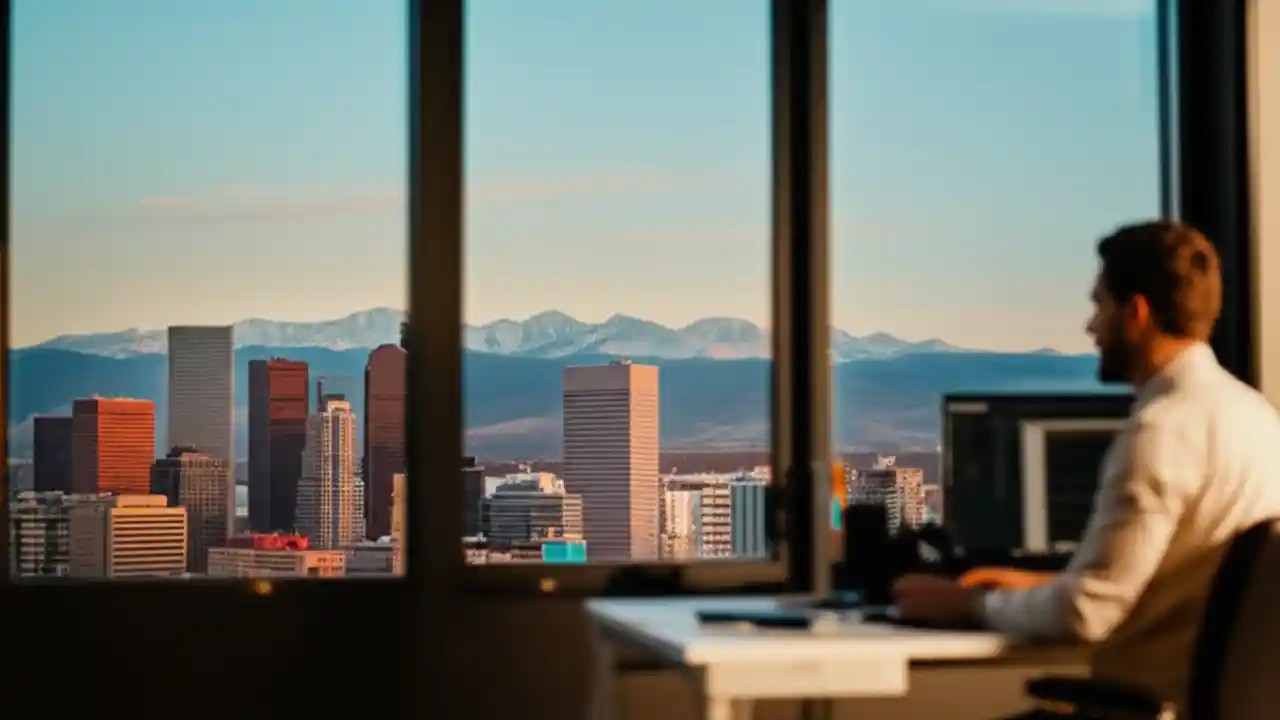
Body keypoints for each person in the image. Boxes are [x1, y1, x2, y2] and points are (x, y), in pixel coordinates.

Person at [892, 220, 1280, 712]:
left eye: (1099, 305)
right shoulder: (1257, 418)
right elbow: (1190, 581)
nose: (1090, 327)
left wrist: (966, 604)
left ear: (1136, 312)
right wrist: (1045, 585)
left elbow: (1085, 615)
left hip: (1144, 704)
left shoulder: (1162, 430)